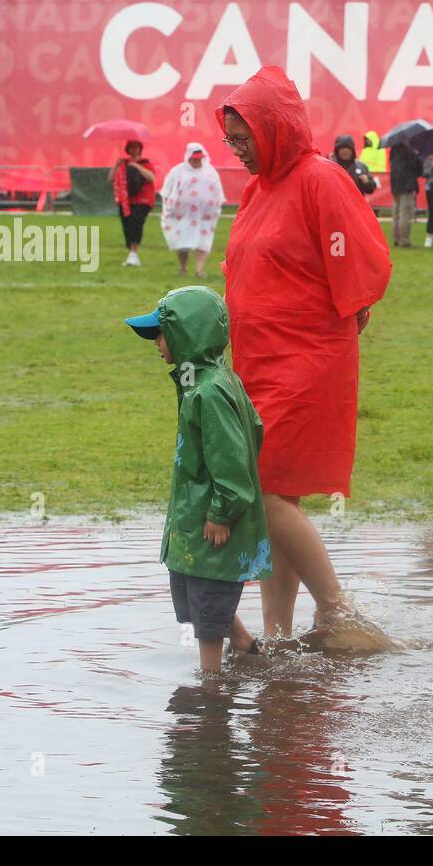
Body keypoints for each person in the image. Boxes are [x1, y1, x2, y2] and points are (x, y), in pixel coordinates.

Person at [217, 66, 393, 636]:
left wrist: (350, 310)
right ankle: (278, 633)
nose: (239, 151)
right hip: (259, 362)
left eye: (245, 139)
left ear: (274, 128)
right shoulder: (255, 190)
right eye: (232, 141)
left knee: (264, 489)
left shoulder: (321, 178)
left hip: (307, 362)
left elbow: (363, 256)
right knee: (278, 495)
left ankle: (337, 610)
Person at [122, 286, 270, 672]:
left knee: (207, 603)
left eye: (160, 333)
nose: (156, 343)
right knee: (196, 589)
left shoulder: (209, 391)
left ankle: (211, 688)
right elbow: (254, 428)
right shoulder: (208, 381)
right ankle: (246, 647)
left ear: (187, 335)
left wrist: (222, 511)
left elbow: (232, 458)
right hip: (195, 516)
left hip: (211, 523)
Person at [160, 143, 224, 278]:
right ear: (188, 157)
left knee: (203, 241)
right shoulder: (178, 171)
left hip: (205, 217)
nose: (197, 161)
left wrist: (216, 207)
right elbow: (167, 190)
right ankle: (182, 268)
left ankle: (199, 270)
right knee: (182, 242)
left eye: (199, 158)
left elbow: (218, 191)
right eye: (194, 158)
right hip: (182, 216)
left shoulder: (210, 172)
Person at [109, 140, 157, 267]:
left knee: (136, 223)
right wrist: (116, 165)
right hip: (126, 200)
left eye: (136, 147)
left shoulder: (145, 163)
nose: (134, 150)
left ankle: (134, 253)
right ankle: (132, 254)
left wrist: (136, 166)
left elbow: (151, 178)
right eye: (131, 147)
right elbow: (110, 179)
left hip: (142, 200)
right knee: (127, 226)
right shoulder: (123, 164)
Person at [388, 141, 422, 248]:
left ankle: (396, 238)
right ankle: (404, 240)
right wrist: (417, 155)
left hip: (395, 185)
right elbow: (419, 169)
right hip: (407, 186)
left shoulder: (393, 150)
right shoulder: (410, 152)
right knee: (405, 213)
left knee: (396, 213)